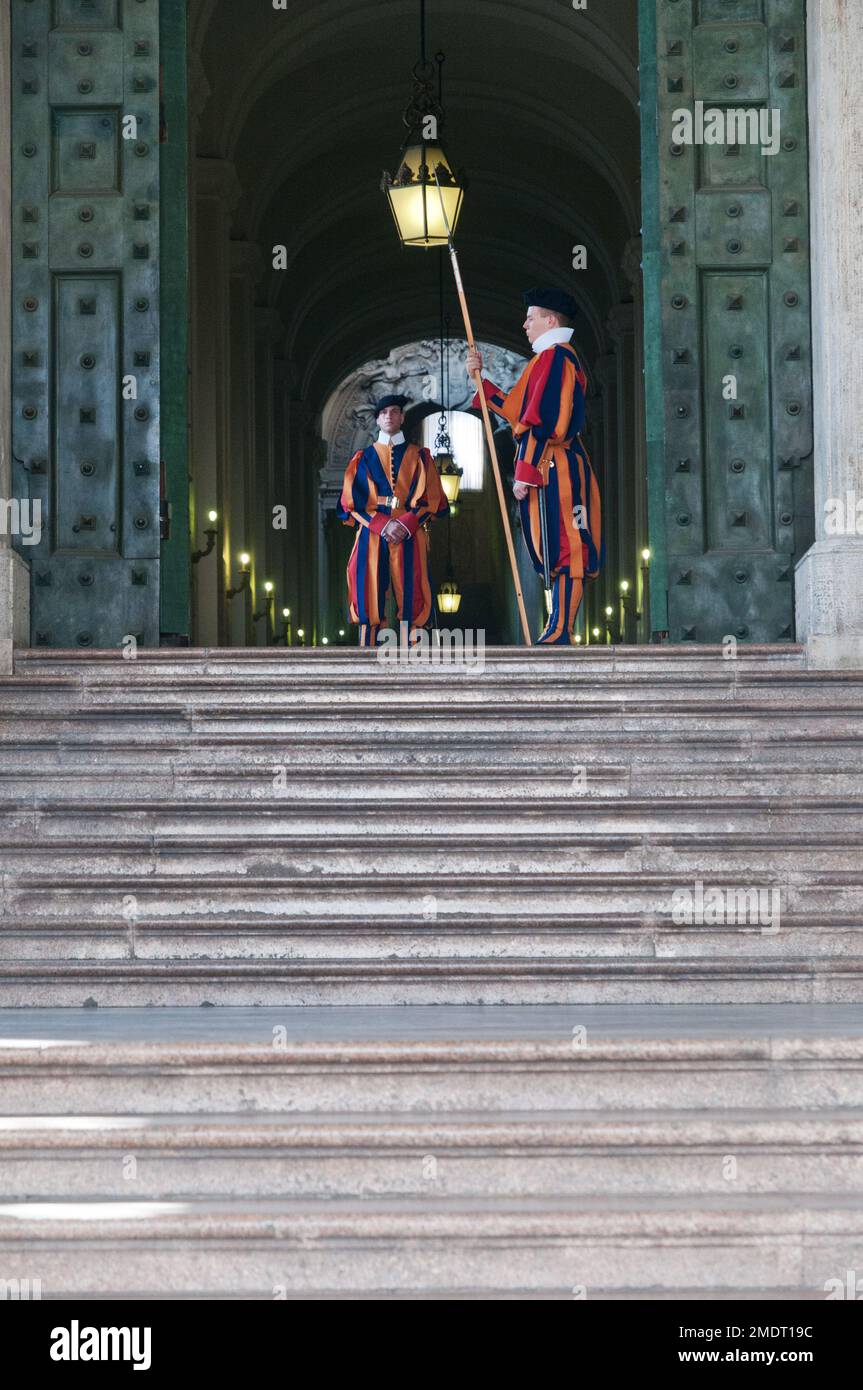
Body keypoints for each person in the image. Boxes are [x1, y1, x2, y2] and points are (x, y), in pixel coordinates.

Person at [466, 289, 603, 645]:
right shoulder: (546, 360)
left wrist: (526, 471)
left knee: (568, 545)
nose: (524, 324)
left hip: (555, 467)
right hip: (549, 464)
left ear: (551, 321)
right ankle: (556, 624)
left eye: (531, 317)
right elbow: (517, 410)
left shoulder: (556, 358)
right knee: (553, 547)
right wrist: (480, 381)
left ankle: (561, 629)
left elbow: (543, 422)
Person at [337, 395, 449, 647]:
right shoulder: (362, 458)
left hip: (410, 530)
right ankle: (370, 656)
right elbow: (351, 501)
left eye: (395, 411)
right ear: (377, 419)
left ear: (402, 417)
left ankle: (417, 655)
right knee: (368, 589)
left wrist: (405, 525)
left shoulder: (420, 456)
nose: (389, 416)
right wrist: (382, 525)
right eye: (384, 412)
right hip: (371, 531)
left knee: (414, 591)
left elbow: (431, 498)